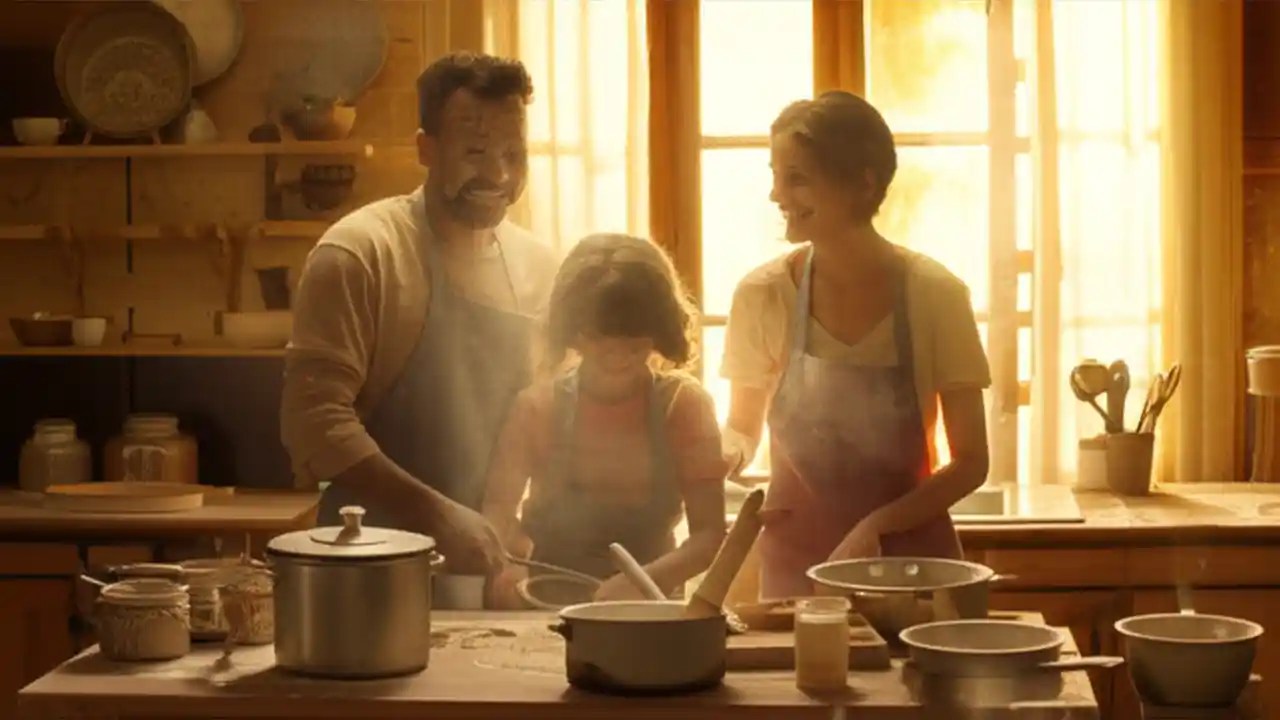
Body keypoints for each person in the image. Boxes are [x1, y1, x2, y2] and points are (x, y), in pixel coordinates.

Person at [281, 52, 561, 576]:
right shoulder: (361, 253)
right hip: (368, 564)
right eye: (475, 152)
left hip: (494, 566)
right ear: (425, 149)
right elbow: (314, 423)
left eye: (513, 153)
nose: (498, 174)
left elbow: (552, 418)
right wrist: (436, 515)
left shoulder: (539, 268)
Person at [720, 91, 991, 600]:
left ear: (864, 184)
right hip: (798, 563)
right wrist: (721, 455)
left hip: (911, 567)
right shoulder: (762, 295)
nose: (777, 194)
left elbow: (972, 461)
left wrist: (878, 526)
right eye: (775, 176)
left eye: (797, 178)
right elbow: (742, 427)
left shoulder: (937, 295)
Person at [483, 234, 727, 606]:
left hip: (649, 605)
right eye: (598, 340)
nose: (616, 356)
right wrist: (510, 563)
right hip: (544, 601)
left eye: (633, 343)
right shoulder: (538, 407)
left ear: (660, 332)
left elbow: (708, 536)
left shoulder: (683, 407)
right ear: (571, 331)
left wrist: (643, 581)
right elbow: (497, 515)